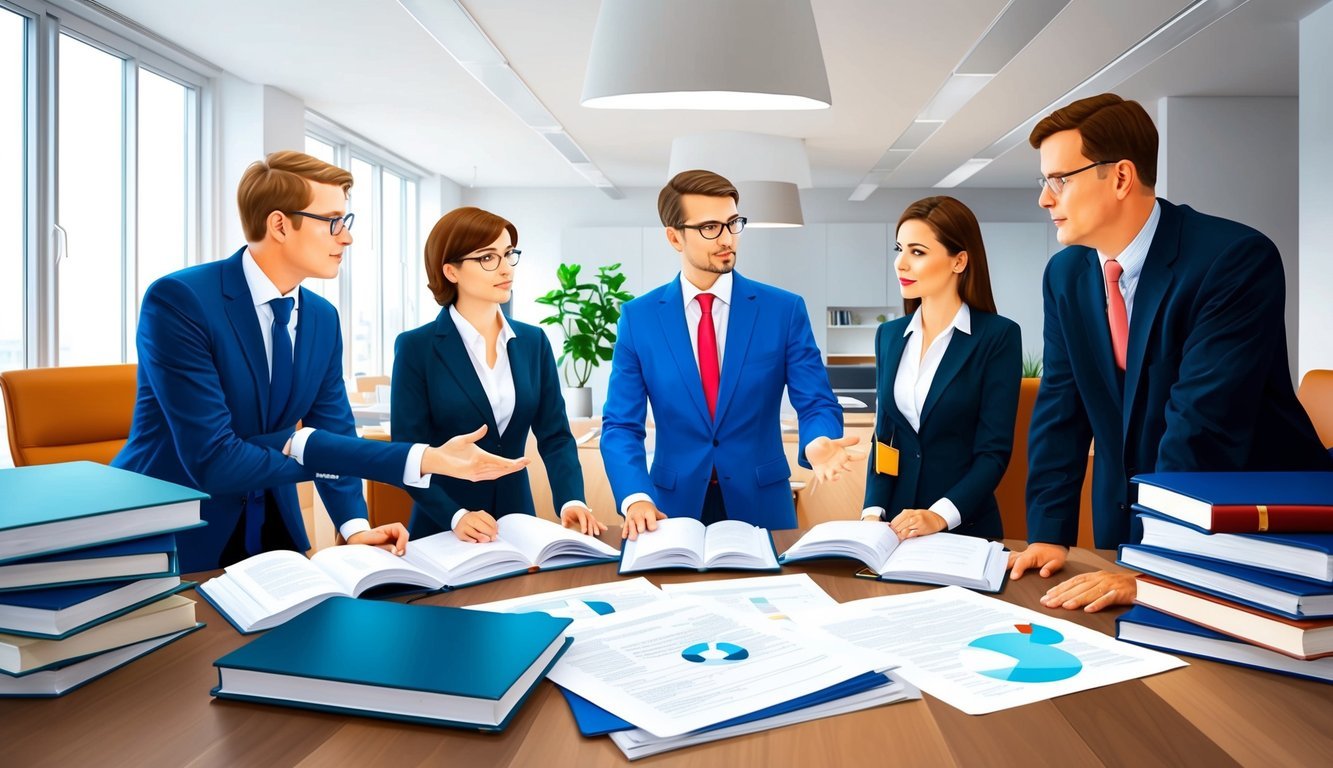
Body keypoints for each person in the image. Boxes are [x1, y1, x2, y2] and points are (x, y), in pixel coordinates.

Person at [114, 151, 527, 572]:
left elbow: (331, 428)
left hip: (274, 533)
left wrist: (353, 525)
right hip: (171, 534)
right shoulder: (181, 301)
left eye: (345, 223)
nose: (345, 238)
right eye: (333, 222)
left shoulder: (322, 318)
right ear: (279, 224)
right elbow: (215, 460)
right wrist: (407, 457)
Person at [1007, 93, 1333, 611]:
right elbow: (1061, 410)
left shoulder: (1233, 260)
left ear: (1119, 177)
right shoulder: (1066, 275)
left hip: (1254, 534)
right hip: (1131, 532)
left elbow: (1201, 426)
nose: (1045, 199)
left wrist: (1156, 564)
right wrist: (1049, 533)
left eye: (1059, 180)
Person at [601, 169, 859, 539]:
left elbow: (816, 402)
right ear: (674, 237)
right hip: (667, 509)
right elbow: (621, 426)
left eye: (732, 223)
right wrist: (635, 496)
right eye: (710, 227)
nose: (726, 239)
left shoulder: (783, 310)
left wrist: (817, 440)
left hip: (763, 504)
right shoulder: (639, 319)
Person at [392, 207, 605, 542]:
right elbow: (407, 452)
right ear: (451, 271)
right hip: (445, 529)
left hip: (518, 521)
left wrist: (570, 499)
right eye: (488, 258)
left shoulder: (533, 342)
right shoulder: (416, 348)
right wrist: (455, 516)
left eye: (508, 254)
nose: (506, 268)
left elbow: (555, 435)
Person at [860, 197, 1021, 541]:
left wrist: (939, 515)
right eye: (899, 249)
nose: (900, 264)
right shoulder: (888, 336)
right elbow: (884, 440)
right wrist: (872, 513)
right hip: (894, 532)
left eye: (917, 252)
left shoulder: (998, 336)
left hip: (964, 529)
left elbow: (993, 453)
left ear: (959, 261)